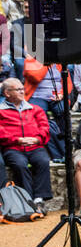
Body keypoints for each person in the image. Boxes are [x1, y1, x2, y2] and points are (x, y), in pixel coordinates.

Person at [0, 78, 51, 211]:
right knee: (20, 164)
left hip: (35, 146)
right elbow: (1, 131)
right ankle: (27, 200)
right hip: (13, 148)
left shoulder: (35, 109)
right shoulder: (1, 111)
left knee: (43, 161)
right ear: (7, 93)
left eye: (23, 88)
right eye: (18, 89)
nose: (23, 91)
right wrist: (17, 139)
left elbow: (44, 127)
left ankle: (39, 199)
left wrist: (37, 139)